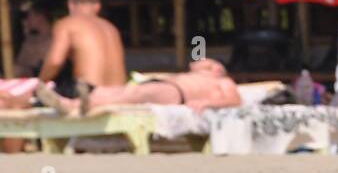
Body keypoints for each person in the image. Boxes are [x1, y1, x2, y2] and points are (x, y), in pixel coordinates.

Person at [35, 58, 241, 116]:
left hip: (177, 94)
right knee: (116, 91)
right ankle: (75, 101)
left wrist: (206, 102)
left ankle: (72, 105)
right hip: (165, 84)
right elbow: (195, 63)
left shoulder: (223, 81)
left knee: (133, 94)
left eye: (213, 64)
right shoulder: (194, 73)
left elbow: (235, 101)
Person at [39, 0, 127, 92]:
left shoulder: (67, 24)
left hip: (91, 92)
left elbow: (55, 62)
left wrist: (40, 83)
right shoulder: (112, 28)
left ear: (71, 5)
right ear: (97, 6)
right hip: (120, 92)